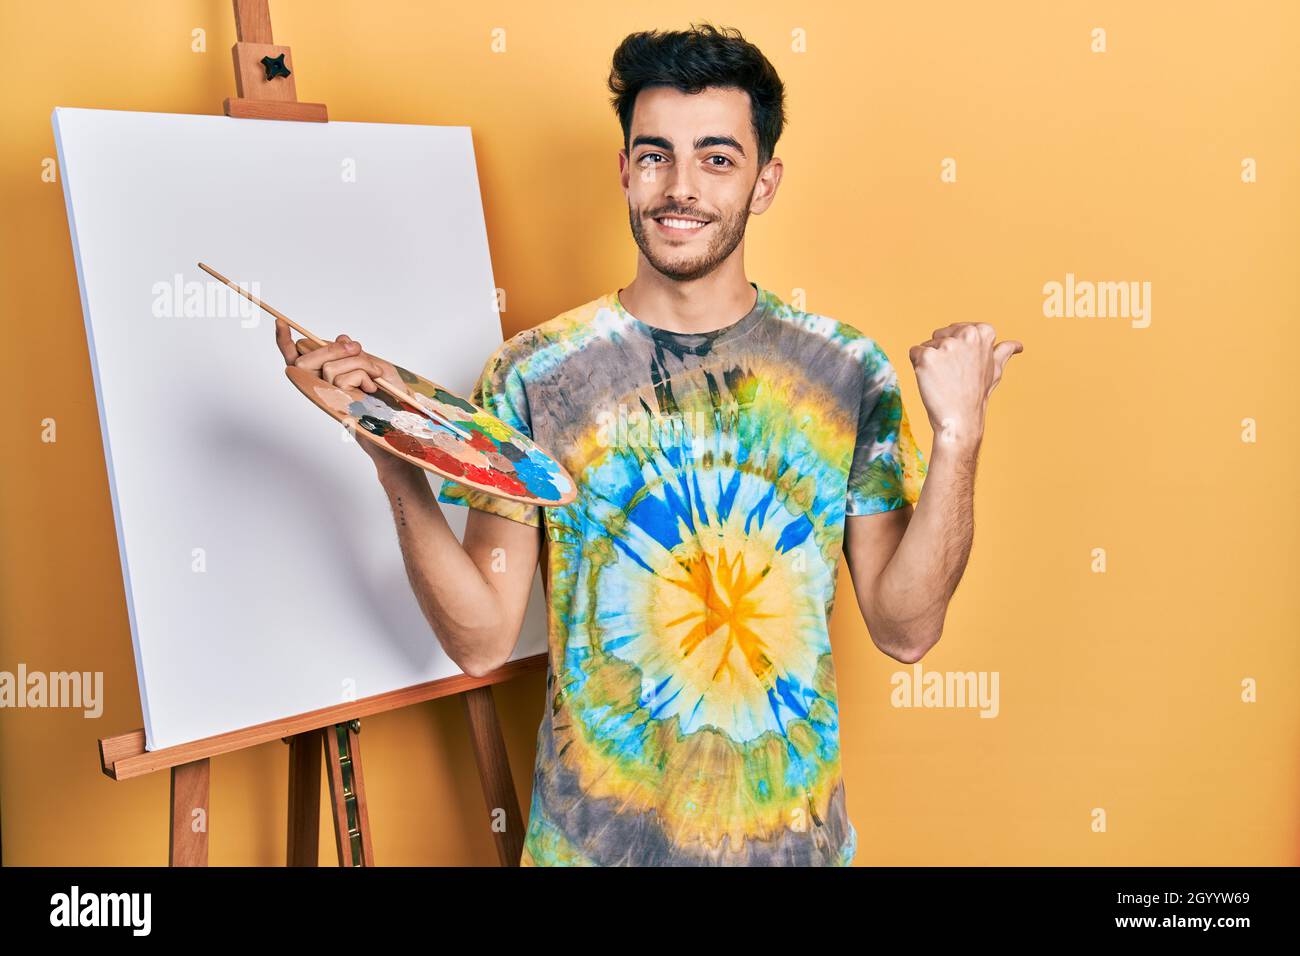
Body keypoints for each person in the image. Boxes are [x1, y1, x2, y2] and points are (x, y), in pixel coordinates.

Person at [275, 22, 1021, 866]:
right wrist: (391, 455)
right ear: (625, 169)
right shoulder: (534, 374)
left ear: (764, 181)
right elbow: (482, 636)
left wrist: (959, 439)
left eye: (716, 157)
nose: (681, 187)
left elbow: (906, 627)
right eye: (655, 154)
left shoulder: (843, 370)